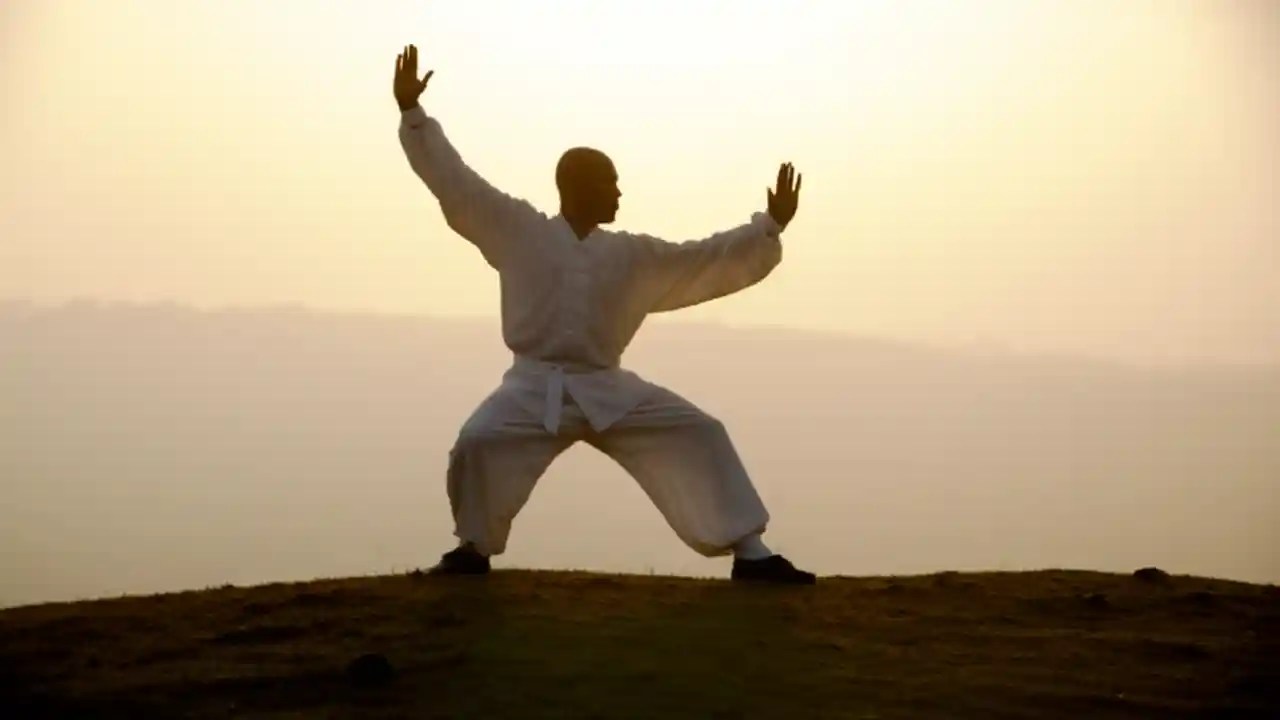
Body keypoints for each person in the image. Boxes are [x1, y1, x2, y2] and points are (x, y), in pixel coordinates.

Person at [394, 44, 814, 585]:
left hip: (607, 387)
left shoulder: (630, 256)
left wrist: (768, 227)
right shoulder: (517, 230)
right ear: (579, 188)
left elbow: (701, 257)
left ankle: (752, 554)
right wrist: (412, 114)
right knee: (478, 443)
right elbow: (456, 182)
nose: (619, 192)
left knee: (701, 433)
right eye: (610, 182)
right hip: (531, 387)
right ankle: (472, 551)